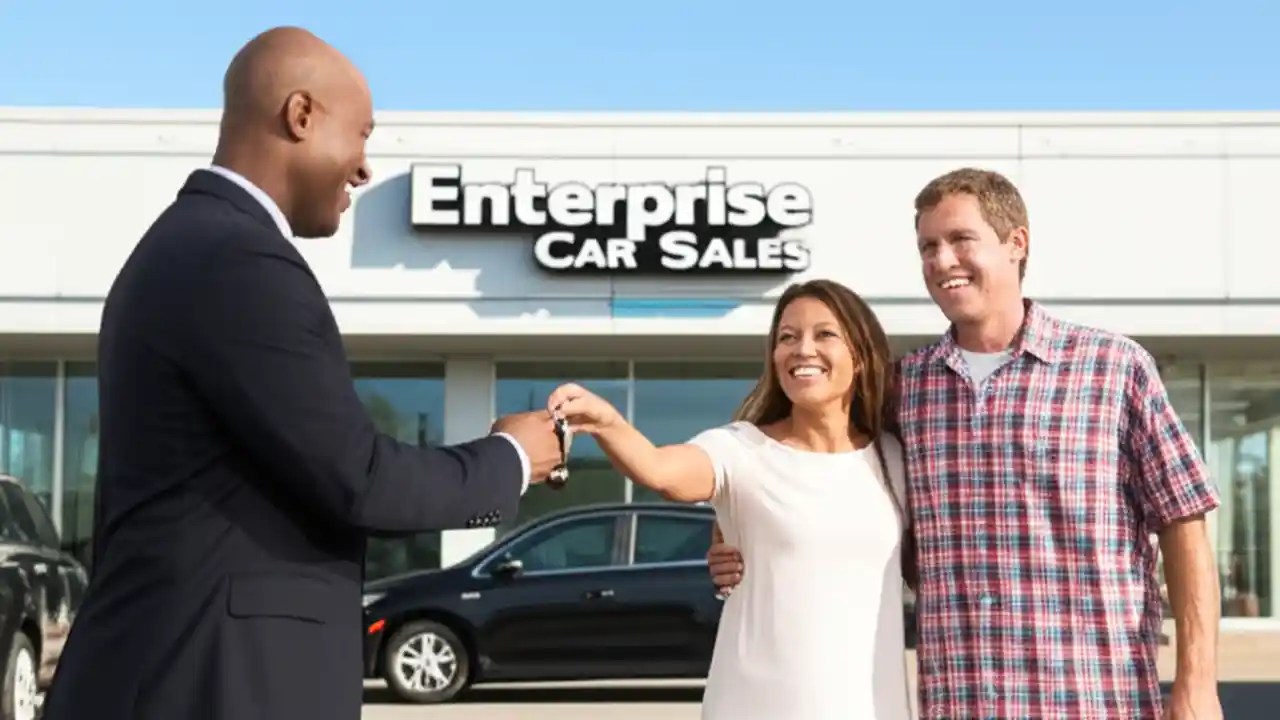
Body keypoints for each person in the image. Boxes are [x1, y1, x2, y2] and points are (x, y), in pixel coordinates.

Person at [40, 27, 561, 720]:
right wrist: (512, 457)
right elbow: (360, 479)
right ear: (301, 115)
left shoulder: (194, 245)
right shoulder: (237, 259)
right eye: (362, 135)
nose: (365, 169)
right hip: (208, 685)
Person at [708, 168, 1224, 720]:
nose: (941, 260)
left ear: (1016, 243)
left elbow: (1183, 521)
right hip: (961, 702)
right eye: (928, 247)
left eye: (960, 240)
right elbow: (809, 460)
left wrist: (1196, 684)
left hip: (1093, 698)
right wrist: (733, 533)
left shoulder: (1113, 369)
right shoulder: (903, 389)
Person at [547, 279, 914, 719]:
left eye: (824, 334)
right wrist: (608, 423)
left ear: (861, 355)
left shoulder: (895, 458)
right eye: (787, 337)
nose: (802, 349)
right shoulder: (740, 449)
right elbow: (659, 470)